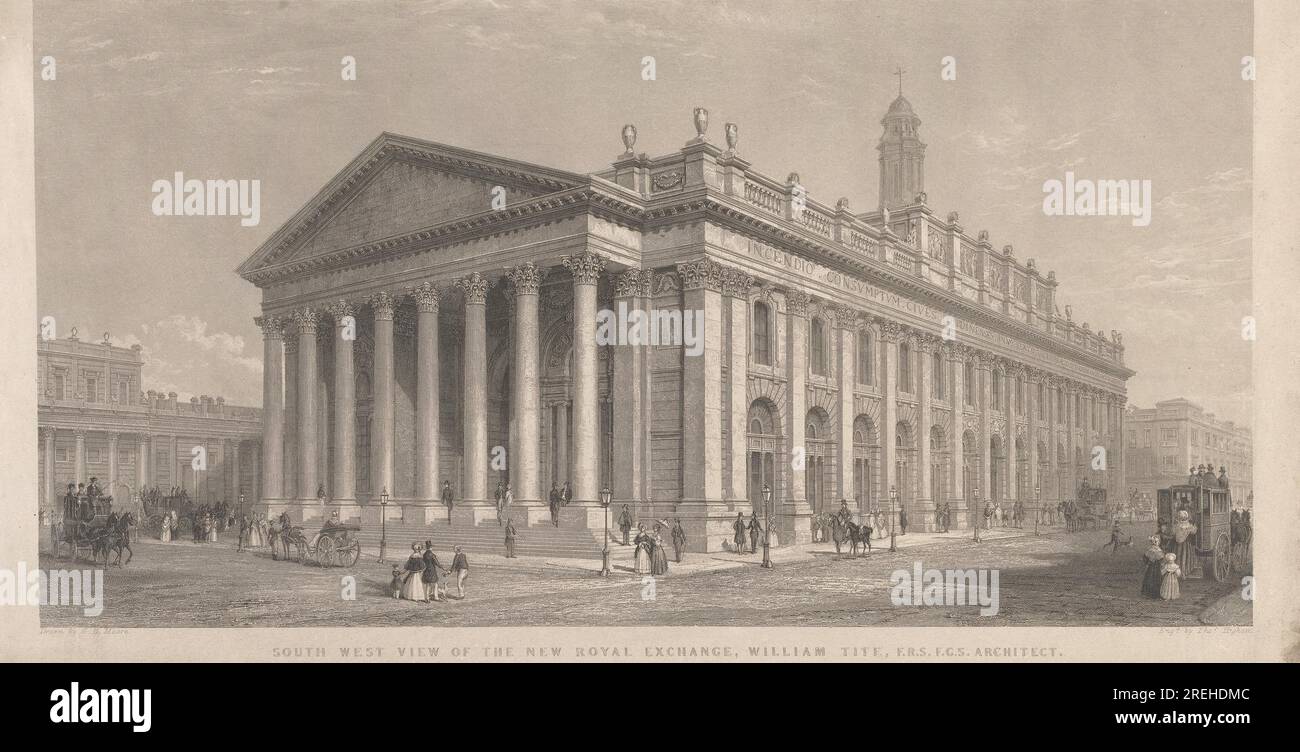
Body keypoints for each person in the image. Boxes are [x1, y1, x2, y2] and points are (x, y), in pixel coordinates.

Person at [1172, 509, 1197, 579]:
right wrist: (1195, 525)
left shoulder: (1177, 525)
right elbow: (1194, 531)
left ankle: (1177, 573)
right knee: (1185, 557)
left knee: (1178, 557)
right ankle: (1184, 573)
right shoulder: (1188, 525)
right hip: (1186, 545)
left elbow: (1173, 533)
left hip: (1177, 545)